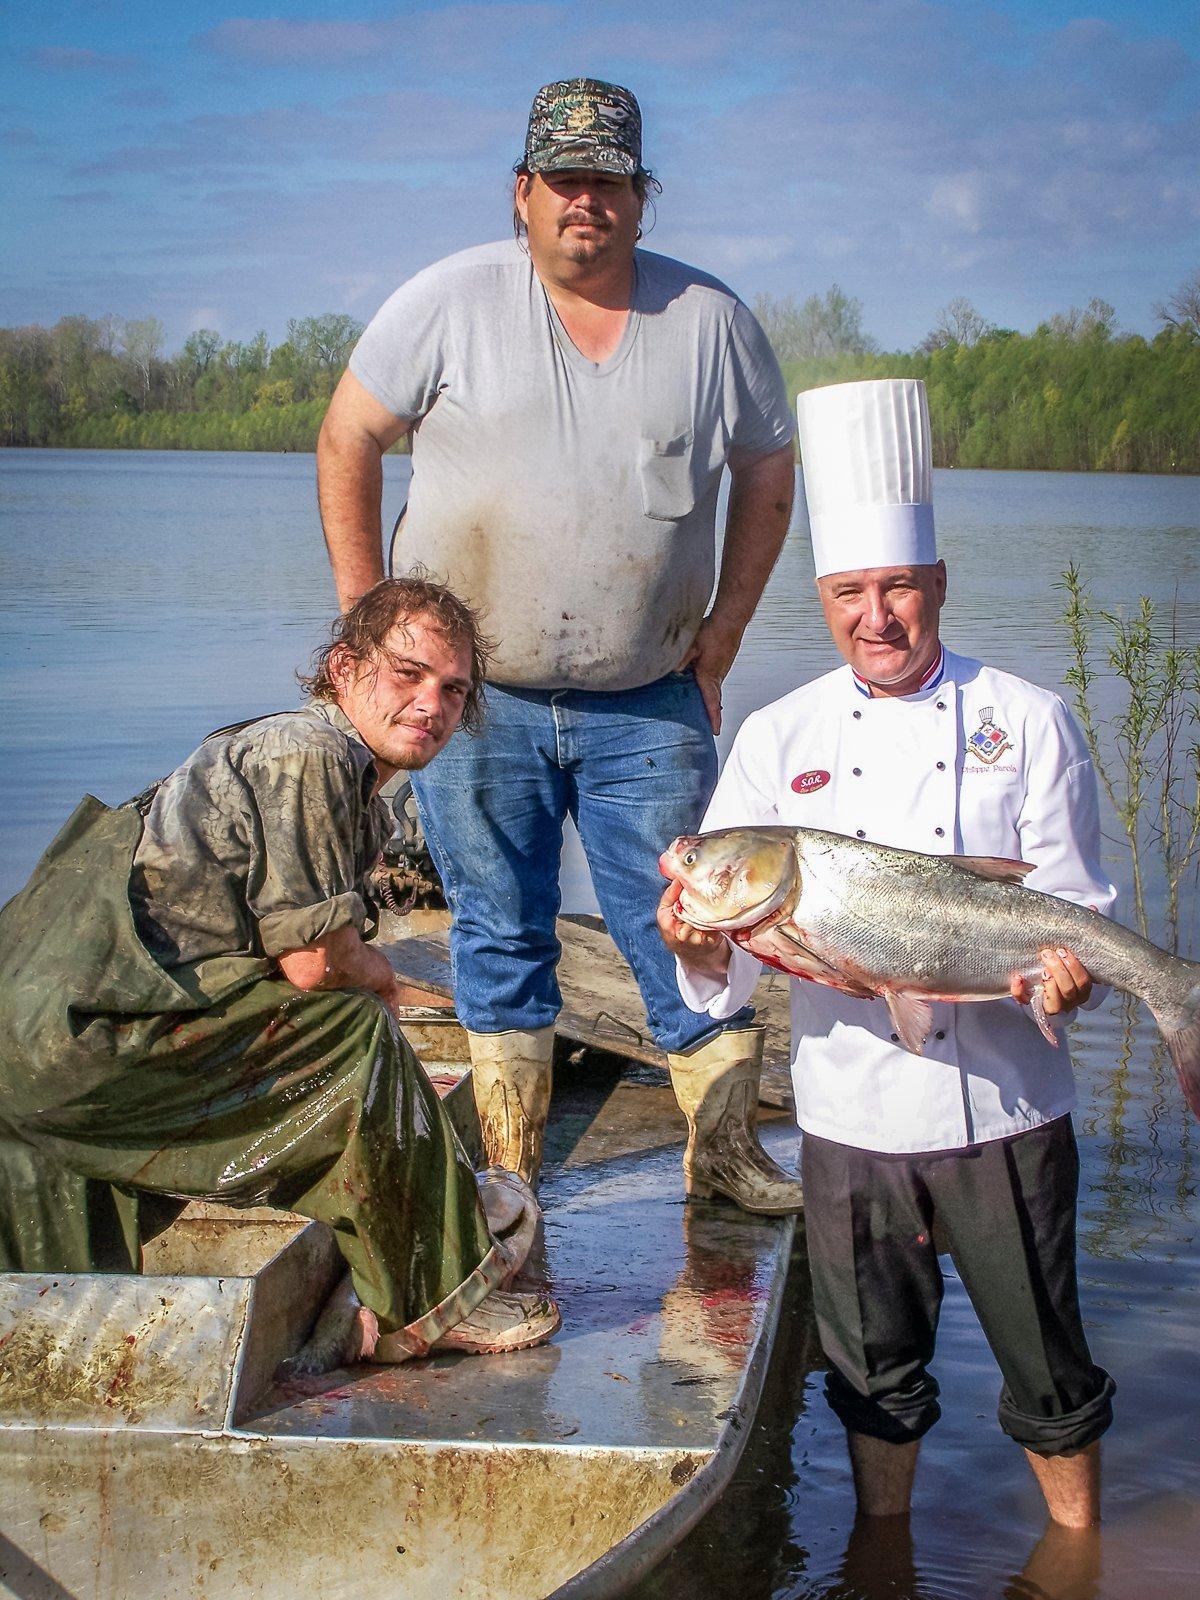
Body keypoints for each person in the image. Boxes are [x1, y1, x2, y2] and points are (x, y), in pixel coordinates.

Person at [316, 77, 802, 1213]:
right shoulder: (447, 302)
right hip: (480, 700)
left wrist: (724, 632)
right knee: (495, 925)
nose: (590, 200)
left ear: (643, 197)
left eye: (613, 181)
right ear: (522, 193)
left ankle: (726, 1156)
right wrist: (371, 625)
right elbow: (349, 435)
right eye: (567, 180)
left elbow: (769, 472)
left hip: (651, 698)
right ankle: (509, 1164)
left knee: (694, 921)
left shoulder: (712, 322)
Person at [660, 378, 1116, 1526]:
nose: (878, 615)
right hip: (852, 1121)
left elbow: (1078, 914)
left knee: (1052, 1375)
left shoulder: (1032, 716)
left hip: (1008, 1109)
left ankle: (1079, 1553)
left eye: (900, 586)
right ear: (822, 596)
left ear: (939, 585)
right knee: (872, 1381)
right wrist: (696, 938)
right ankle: (883, 1558)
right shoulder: (779, 736)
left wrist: (1079, 970)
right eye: (853, 590)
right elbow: (733, 970)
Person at [0, 577, 558, 1367]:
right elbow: (313, 963)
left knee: (337, 1021)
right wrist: (384, 983)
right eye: (409, 674)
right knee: (356, 1034)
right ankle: (434, 1302)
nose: (432, 703)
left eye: (454, 690)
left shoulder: (308, 759)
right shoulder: (308, 753)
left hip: (42, 1038)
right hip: (86, 1036)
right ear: (343, 666)